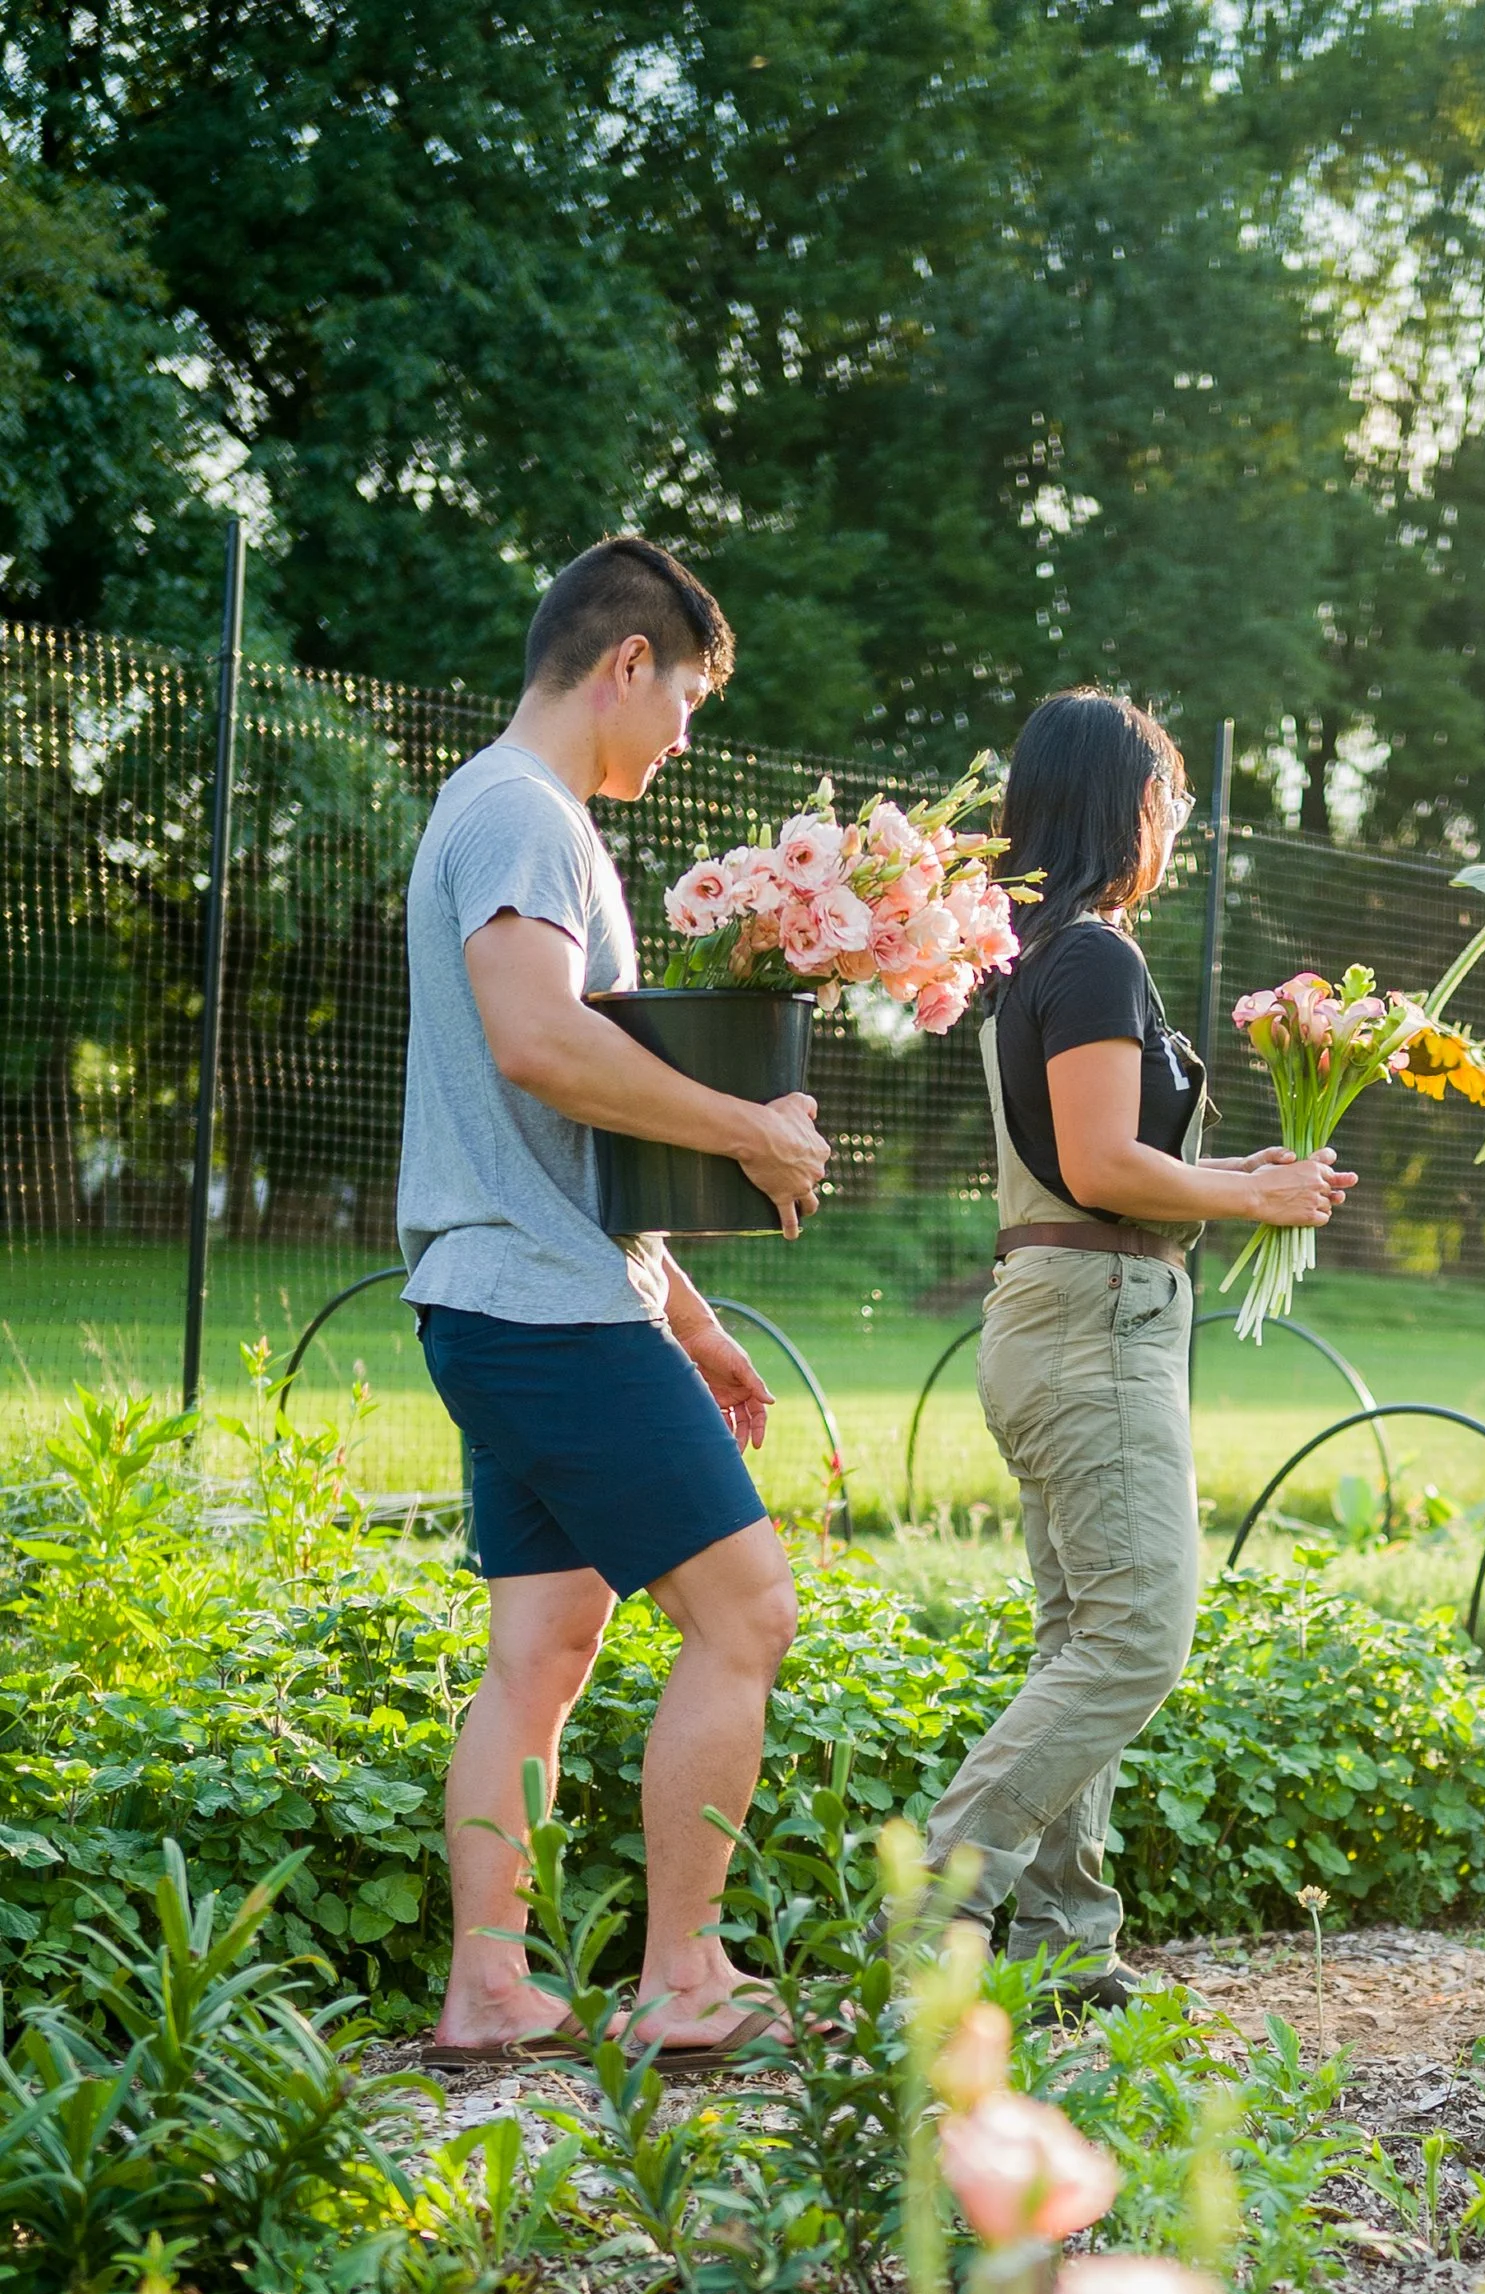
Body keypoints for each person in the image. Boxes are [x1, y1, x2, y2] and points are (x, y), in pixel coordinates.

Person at [396, 531, 831, 2066]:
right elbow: (538, 1044)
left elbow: (563, 1131)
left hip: (513, 1294)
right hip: (543, 1314)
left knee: (547, 1650)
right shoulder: (525, 814)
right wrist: (749, 1129)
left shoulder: (507, 812)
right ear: (626, 662)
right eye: (690, 701)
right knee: (747, 1613)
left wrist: (692, 1320)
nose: (685, 736)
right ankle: (683, 1976)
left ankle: (493, 1987)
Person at [925, 688, 1351, 2007]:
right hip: (1091, 1329)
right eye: (1168, 799)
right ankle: (937, 1895)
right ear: (1124, 808)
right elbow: (1108, 1164)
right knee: (1139, 1637)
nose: (1177, 824)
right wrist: (1251, 1195)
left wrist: (1237, 1171)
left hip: (1067, 1312)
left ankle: (1065, 1943)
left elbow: (1091, 1166)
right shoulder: (1094, 958)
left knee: (1082, 1634)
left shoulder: (1035, 955)